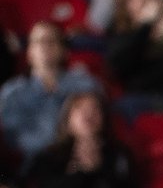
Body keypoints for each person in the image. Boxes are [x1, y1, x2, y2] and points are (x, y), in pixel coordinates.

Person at [16, 90, 145, 188]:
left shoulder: (118, 154)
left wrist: (98, 170)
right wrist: (81, 173)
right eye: (80, 108)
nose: (88, 115)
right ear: (67, 118)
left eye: (94, 109)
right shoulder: (50, 156)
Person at [0, 21, 103, 162]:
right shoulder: (12, 93)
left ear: (64, 50)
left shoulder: (85, 84)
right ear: (29, 52)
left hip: (83, 158)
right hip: (36, 162)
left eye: (51, 41)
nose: (45, 46)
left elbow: (100, 125)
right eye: (39, 41)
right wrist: (57, 148)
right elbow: (14, 139)